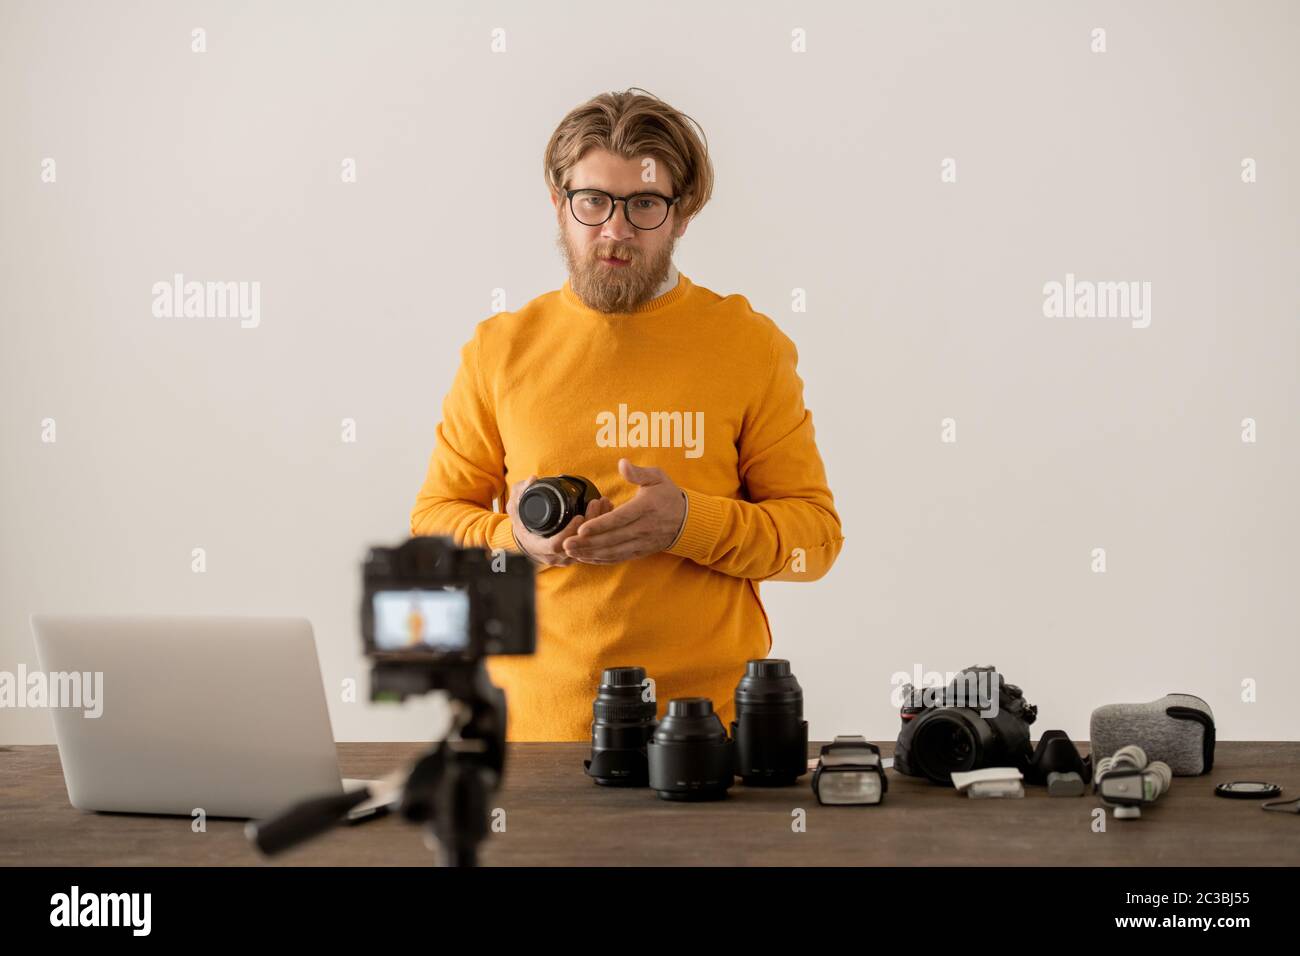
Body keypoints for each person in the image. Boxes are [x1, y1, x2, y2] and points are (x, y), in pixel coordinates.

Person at [411, 89, 844, 740]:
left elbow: (815, 542)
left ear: (682, 215)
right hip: (533, 740)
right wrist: (516, 544)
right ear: (559, 205)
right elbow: (431, 534)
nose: (614, 230)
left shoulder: (749, 345)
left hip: (711, 736)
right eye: (593, 202)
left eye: (643, 204)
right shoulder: (499, 350)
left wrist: (686, 523)